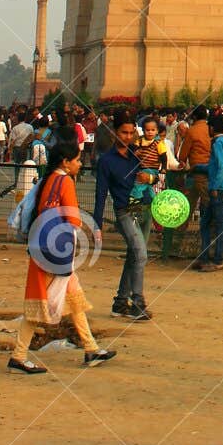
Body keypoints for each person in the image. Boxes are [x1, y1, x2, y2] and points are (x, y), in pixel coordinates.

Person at [8, 139, 116, 374]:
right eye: (77, 160)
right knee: (39, 305)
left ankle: (91, 348)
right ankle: (18, 355)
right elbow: (74, 219)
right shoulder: (65, 181)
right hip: (56, 252)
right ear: (66, 163)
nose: (80, 164)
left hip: (43, 247)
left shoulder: (48, 180)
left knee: (73, 297)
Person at [93, 110, 152, 321]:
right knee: (141, 254)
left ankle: (120, 302)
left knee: (134, 256)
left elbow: (152, 176)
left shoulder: (137, 154)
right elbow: (100, 194)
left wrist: (149, 179)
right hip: (124, 212)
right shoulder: (106, 161)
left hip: (143, 209)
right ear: (114, 133)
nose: (127, 137)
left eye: (130, 132)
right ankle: (138, 302)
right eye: (123, 132)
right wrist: (96, 224)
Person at [194, 111, 223, 272]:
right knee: (207, 223)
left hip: (219, 189)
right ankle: (205, 258)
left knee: (217, 225)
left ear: (211, 128)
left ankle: (216, 260)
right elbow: (217, 166)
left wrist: (215, 186)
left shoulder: (218, 143)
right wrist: (198, 168)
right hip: (220, 187)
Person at [176, 104, 212, 222]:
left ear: (194, 117)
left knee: (188, 205)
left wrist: (182, 161)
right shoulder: (210, 129)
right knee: (208, 203)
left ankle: (178, 234)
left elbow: (183, 155)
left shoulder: (192, 131)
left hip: (195, 171)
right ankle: (210, 232)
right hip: (210, 171)